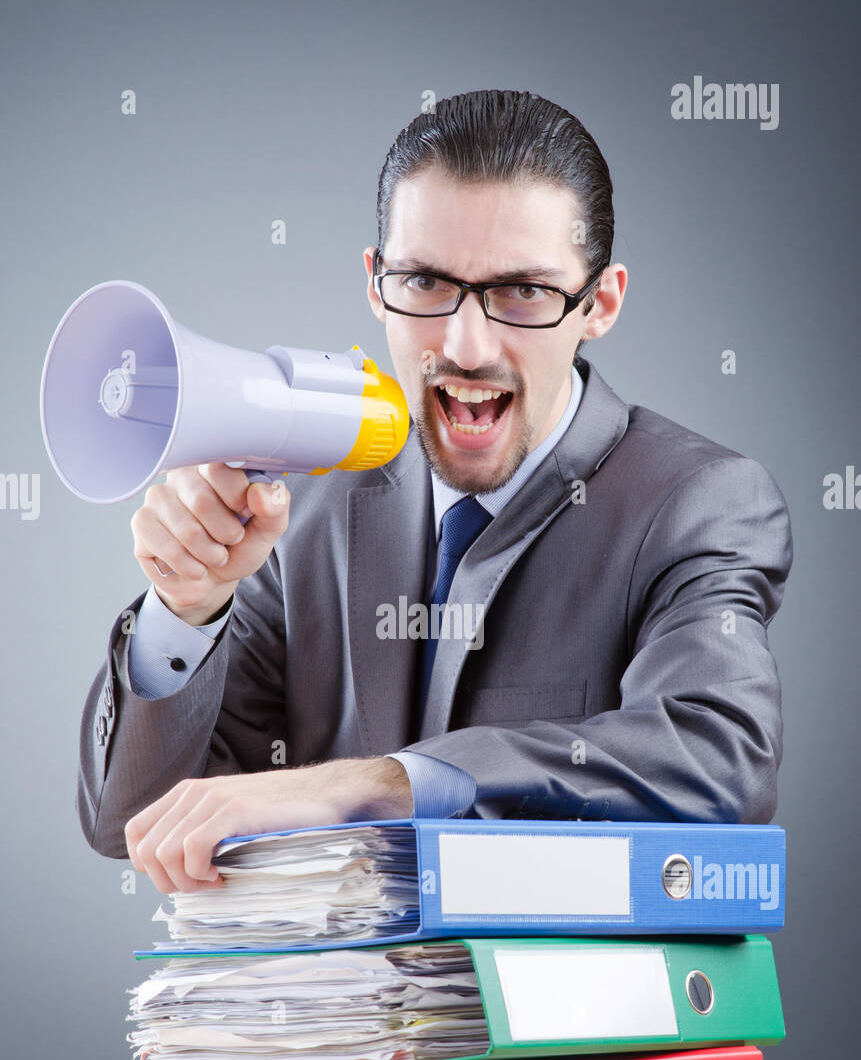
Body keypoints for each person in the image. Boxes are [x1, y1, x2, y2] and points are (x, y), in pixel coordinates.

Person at [77, 89, 793, 896]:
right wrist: (185, 611)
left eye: (523, 291)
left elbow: (716, 761)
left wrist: (380, 784)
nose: (465, 345)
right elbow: (133, 819)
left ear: (598, 303)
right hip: (336, 985)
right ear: (375, 283)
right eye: (424, 281)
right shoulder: (308, 505)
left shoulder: (696, 502)